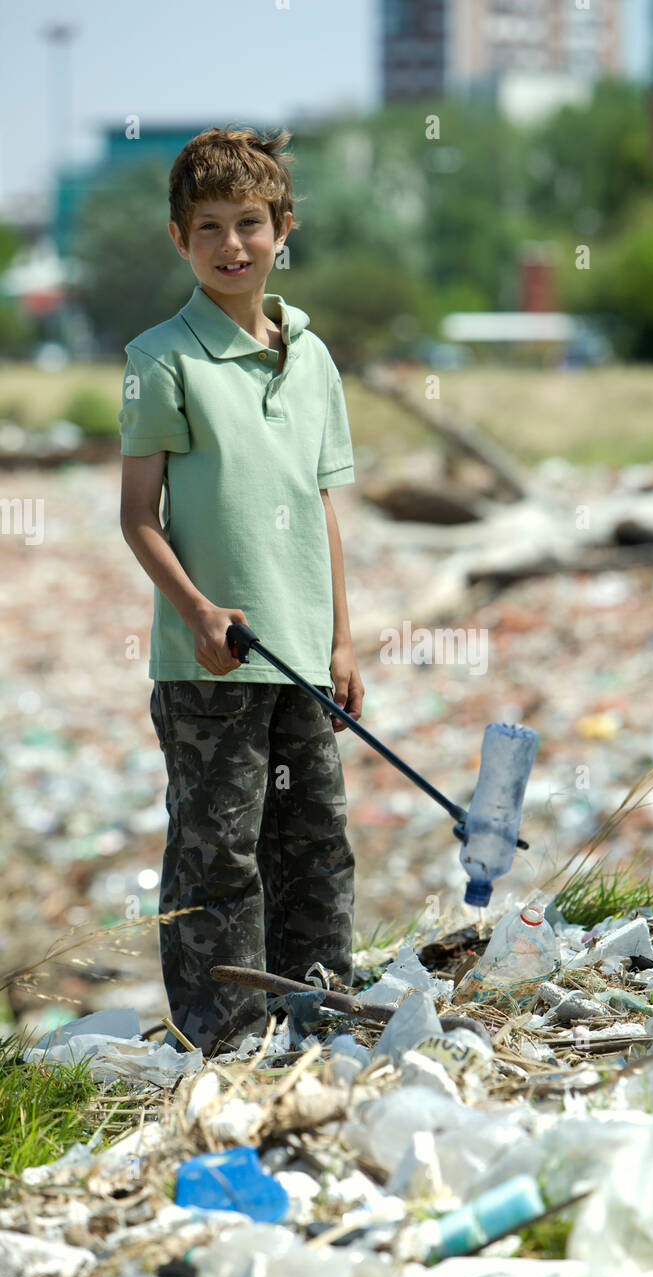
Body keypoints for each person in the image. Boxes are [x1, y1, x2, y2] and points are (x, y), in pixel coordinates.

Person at [118, 125, 363, 1055]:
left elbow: (321, 507)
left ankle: (322, 1021)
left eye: (250, 223)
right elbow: (139, 515)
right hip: (210, 664)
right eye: (209, 226)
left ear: (283, 228)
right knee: (218, 855)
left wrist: (341, 641)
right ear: (179, 238)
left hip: (301, 656)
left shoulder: (313, 356)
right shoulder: (161, 359)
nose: (232, 245)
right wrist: (201, 613)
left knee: (313, 847)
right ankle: (222, 1043)